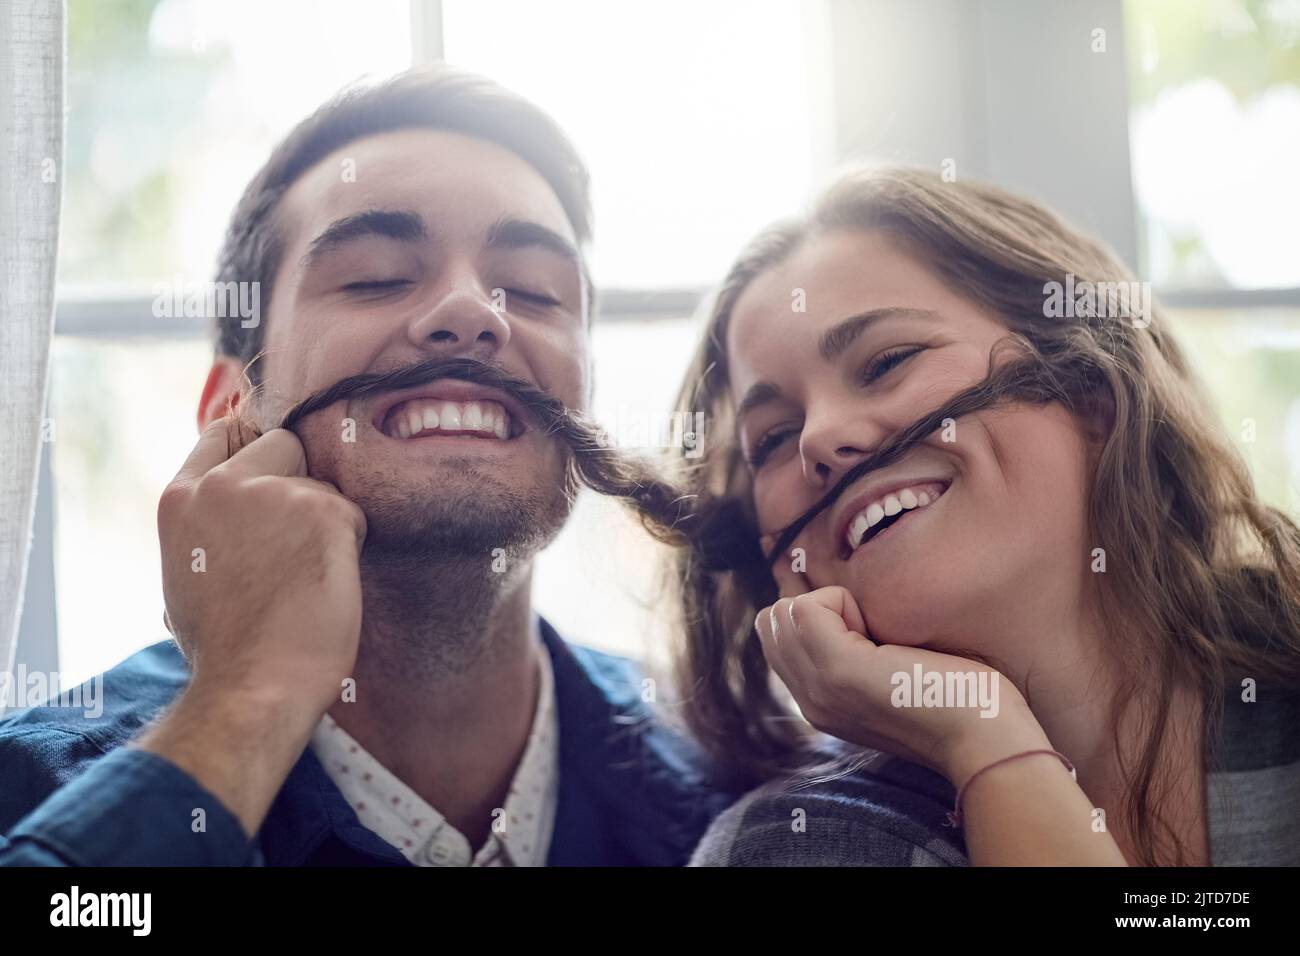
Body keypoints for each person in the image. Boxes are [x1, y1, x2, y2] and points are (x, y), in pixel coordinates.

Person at [0, 67, 738, 867]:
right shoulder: (30, 794)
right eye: (375, 277)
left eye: (532, 292)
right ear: (228, 413)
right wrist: (244, 712)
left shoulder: (735, 792)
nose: (472, 313)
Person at [669, 167, 1300, 866]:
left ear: (1089, 390)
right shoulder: (795, 848)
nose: (818, 438)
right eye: (775, 439)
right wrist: (983, 737)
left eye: (888, 361)